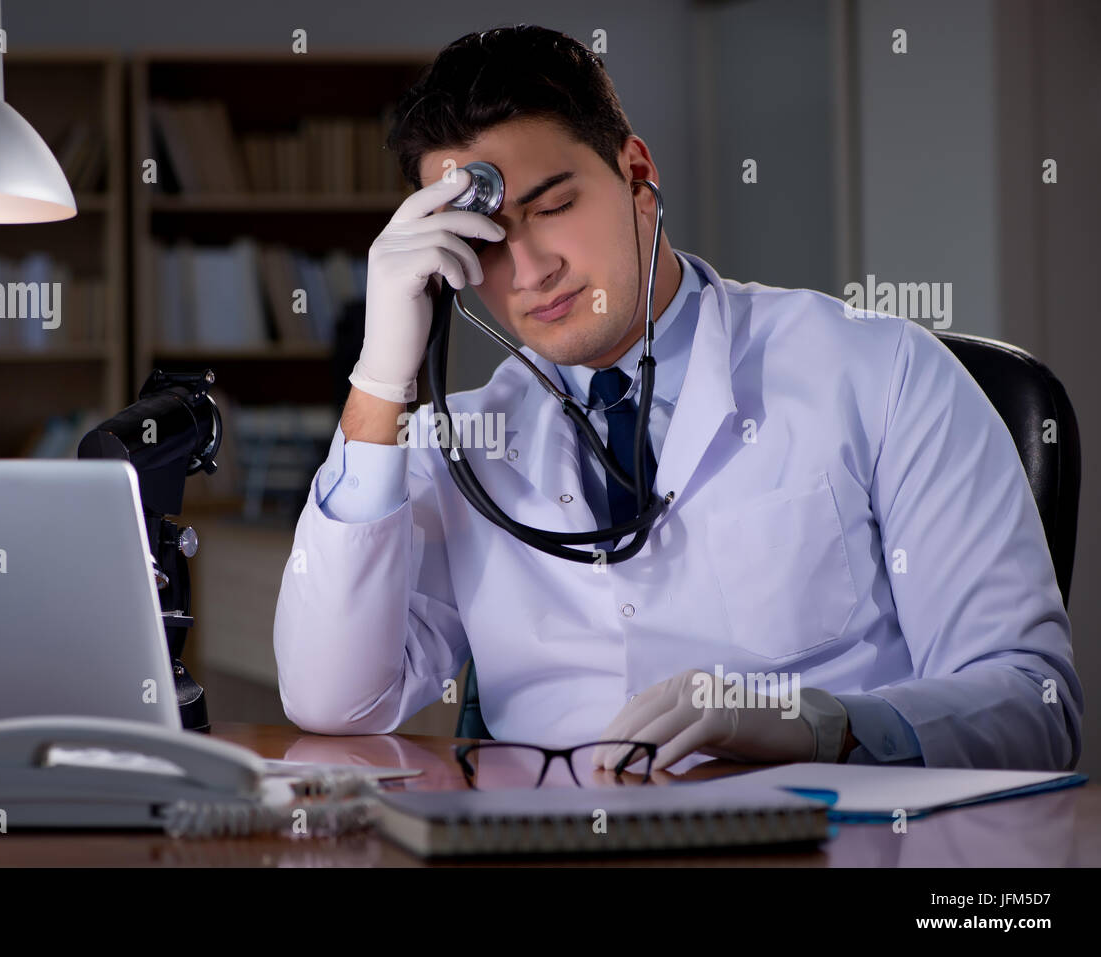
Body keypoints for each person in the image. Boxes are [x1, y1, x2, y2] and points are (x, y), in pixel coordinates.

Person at [273, 25, 1081, 771]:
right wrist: (380, 377)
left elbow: (1033, 705)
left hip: (832, 847)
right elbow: (334, 699)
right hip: (544, 855)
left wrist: (825, 723)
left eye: (553, 208)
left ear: (636, 173)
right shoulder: (468, 439)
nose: (527, 270)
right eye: (483, 240)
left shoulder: (879, 369)